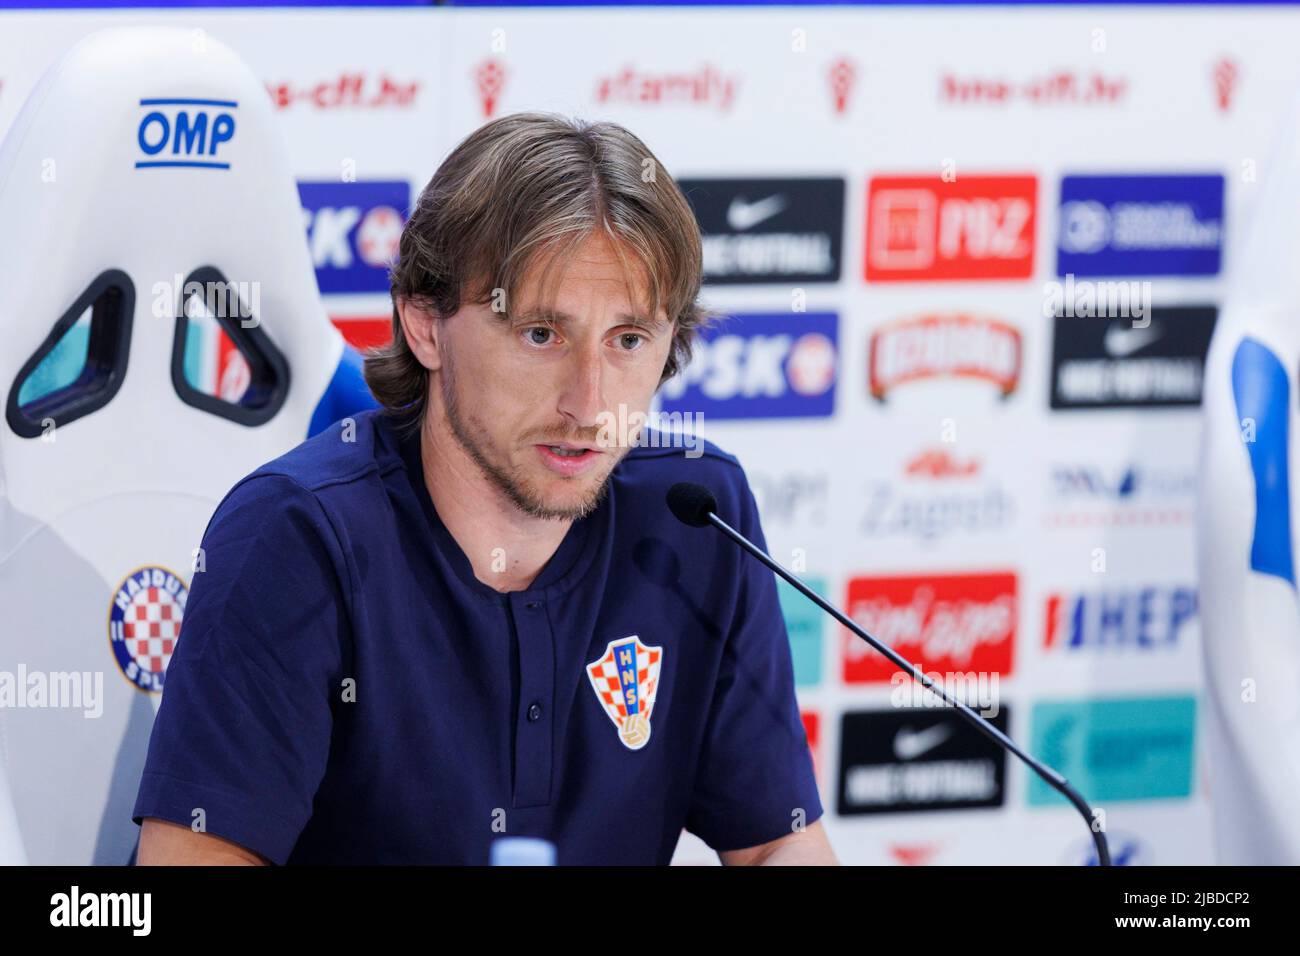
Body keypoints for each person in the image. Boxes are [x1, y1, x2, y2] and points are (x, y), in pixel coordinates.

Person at [132, 112, 834, 865]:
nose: (590, 404)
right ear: (425, 323)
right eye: (541, 334)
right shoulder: (296, 536)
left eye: (629, 340)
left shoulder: (696, 516)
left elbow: (778, 846)